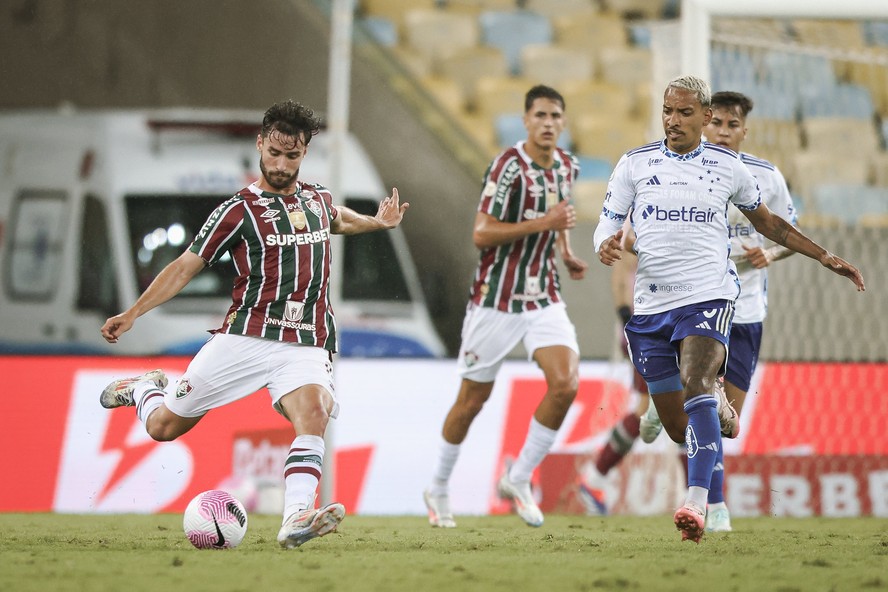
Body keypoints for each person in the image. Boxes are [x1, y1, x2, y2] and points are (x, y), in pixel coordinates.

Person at [98, 100, 409, 549]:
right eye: (275, 154)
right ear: (260, 144)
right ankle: (147, 388)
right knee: (164, 427)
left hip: (304, 340)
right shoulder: (237, 210)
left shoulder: (317, 200)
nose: (282, 165)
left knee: (314, 413)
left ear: (304, 153)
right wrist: (133, 313)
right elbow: (185, 267)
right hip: (245, 337)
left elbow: (338, 219)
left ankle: (296, 516)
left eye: (293, 156)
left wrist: (378, 222)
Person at [593, 75, 865, 543]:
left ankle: (701, 505)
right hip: (653, 305)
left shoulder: (732, 169)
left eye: (683, 113)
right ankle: (710, 410)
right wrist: (605, 243)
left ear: (702, 117)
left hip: (711, 297)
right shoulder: (635, 165)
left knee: (697, 381)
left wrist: (822, 254)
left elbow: (772, 224)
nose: (673, 121)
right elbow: (609, 221)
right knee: (680, 428)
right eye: (667, 111)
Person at [423, 84, 588, 528]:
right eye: (540, 115)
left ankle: (518, 476)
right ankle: (438, 486)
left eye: (555, 115)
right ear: (526, 120)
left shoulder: (568, 167)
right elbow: (481, 232)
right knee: (472, 400)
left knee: (566, 383)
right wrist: (544, 223)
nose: (548, 123)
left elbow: (559, 216)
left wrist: (566, 250)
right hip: (495, 300)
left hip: (543, 297)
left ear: (564, 122)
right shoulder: (508, 167)